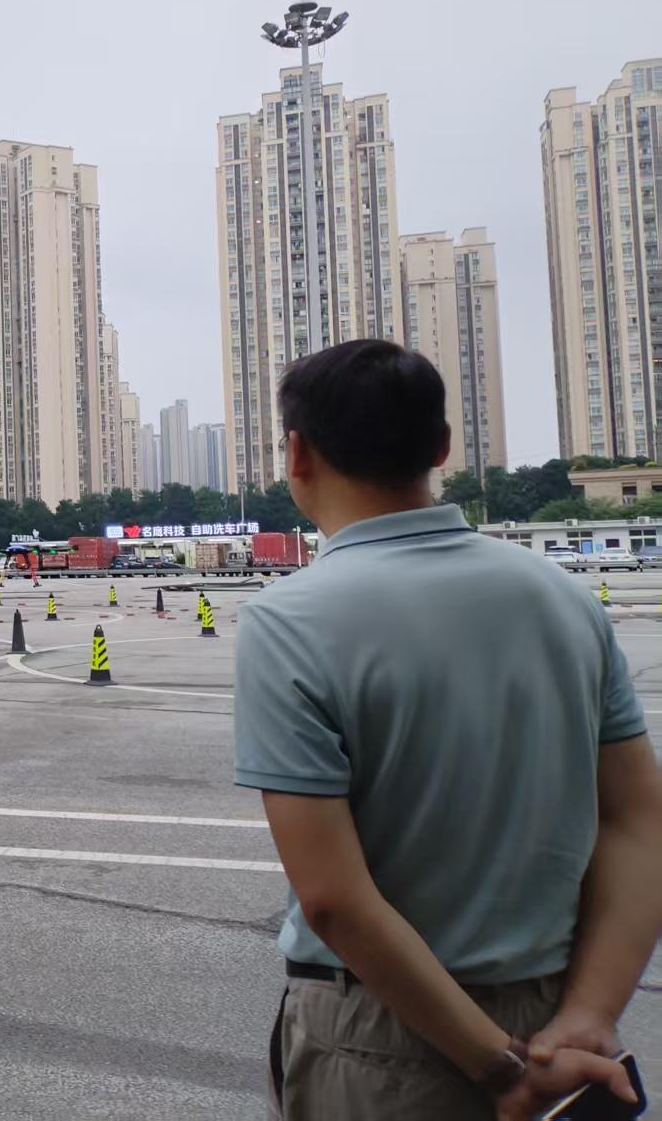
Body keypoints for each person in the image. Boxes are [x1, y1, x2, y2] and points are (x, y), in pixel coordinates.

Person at [235, 340, 661, 1121]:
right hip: (557, 1020)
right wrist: (589, 1015)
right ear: (441, 447)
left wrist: (498, 1066)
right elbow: (638, 821)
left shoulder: (289, 620)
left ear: (297, 452)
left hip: (386, 1037)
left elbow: (333, 899)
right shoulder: (563, 599)